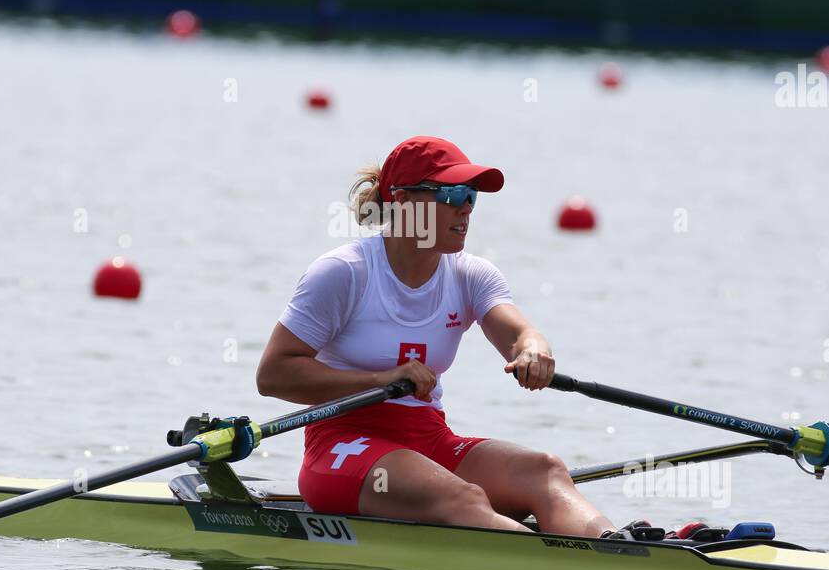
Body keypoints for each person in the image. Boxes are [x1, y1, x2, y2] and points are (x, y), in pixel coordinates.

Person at [256, 135, 616, 536]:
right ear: (402, 200)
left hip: (428, 439)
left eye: (472, 196)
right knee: (465, 499)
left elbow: (519, 333)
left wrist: (534, 351)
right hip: (343, 445)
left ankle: (619, 554)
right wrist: (381, 380)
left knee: (545, 470)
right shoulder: (344, 273)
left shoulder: (470, 274)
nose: (465, 207)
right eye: (451, 193)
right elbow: (272, 375)